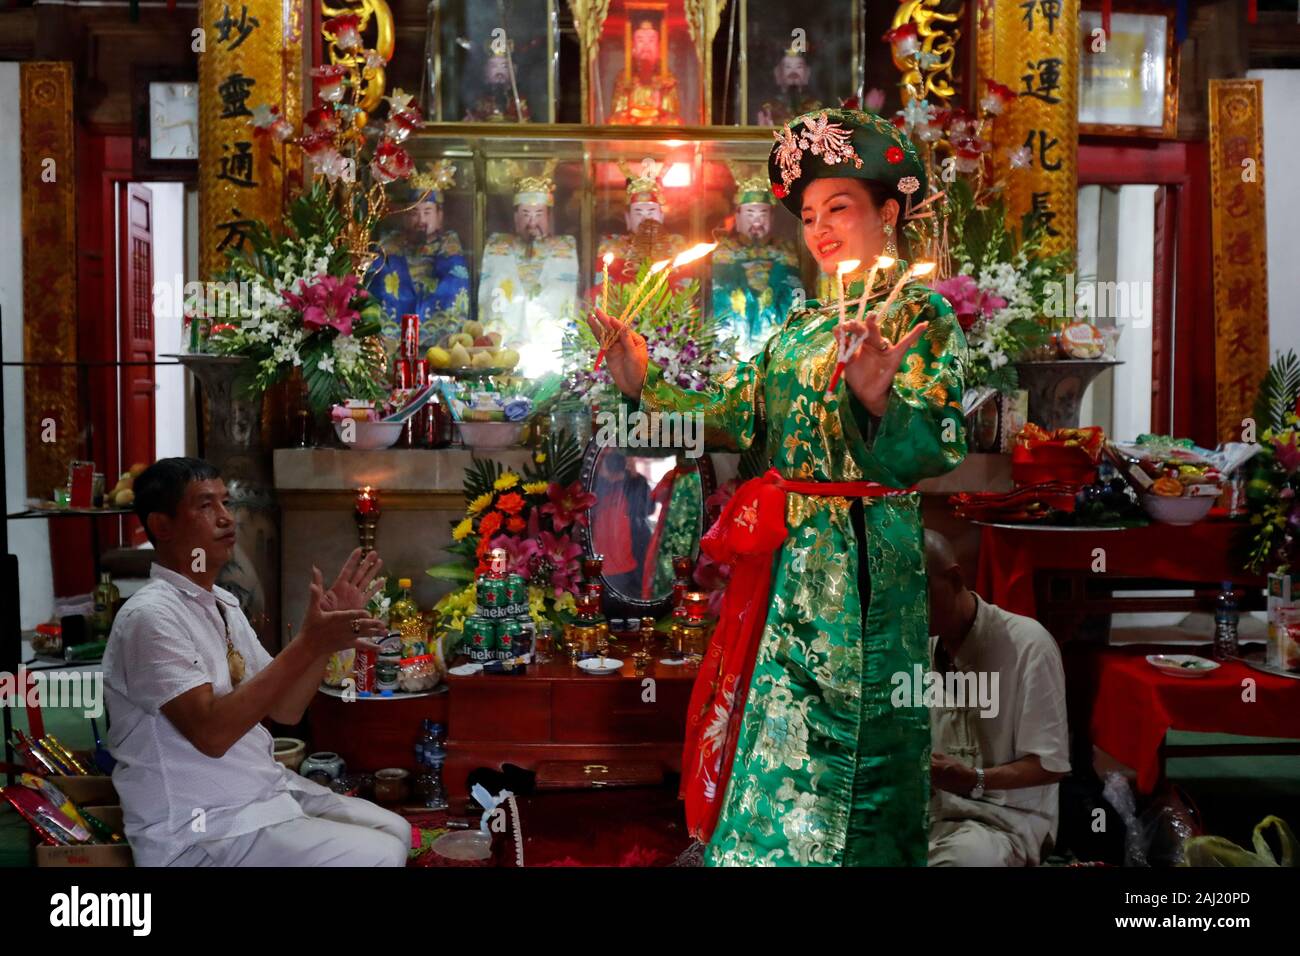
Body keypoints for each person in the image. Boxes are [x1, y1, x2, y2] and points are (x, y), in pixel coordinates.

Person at [589, 108, 967, 866]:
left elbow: (936, 446)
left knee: (850, 753)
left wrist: (880, 401)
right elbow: (732, 414)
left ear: (886, 212)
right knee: (770, 736)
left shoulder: (918, 313)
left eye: (841, 208)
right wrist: (646, 383)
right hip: (787, 561)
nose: (820, 228)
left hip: (863, 563)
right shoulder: (796, 328)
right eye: (810, 214)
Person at [103, 458, 410, 866]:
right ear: (162, 526)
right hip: (201, 830)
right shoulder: (151, 617)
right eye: (205, 506)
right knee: (383, 855)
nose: (226, 518)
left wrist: (323, 643)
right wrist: (307, 642)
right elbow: (212, 735)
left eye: (225, 503)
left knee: (397, 830)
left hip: (255, 794)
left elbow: (286, 709)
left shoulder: (223, 604)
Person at [924, 530, 1071, 866]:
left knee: (963, 862)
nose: (911, 609)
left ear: (956, 578)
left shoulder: (1028, 644)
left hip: (1004, 819)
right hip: (931, 813)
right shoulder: (916, 644)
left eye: (921, 594)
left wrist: (973, 779)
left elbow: (1049, 765)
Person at [477, 161, 577, 376]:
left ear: (549, 216)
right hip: (507, 349)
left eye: (538, 214)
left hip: (549, 356)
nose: (532, 222)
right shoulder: (498, 246)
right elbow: (492, 296)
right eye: (525, 214)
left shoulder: (565, 247)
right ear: (515, 217)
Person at [369, 160, 470, 347]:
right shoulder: (388, 245)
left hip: (438, 345)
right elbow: (376, 287)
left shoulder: (449, 246)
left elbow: (455, 286)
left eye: (427, 212)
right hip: (393, 344)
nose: (420, 220)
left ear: (440, 216)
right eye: (414, 212)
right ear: (405, 216)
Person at [711, 166, 803, 359]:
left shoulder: (784, 250)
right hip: (736, 330)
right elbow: (719, 291)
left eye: (762, 214)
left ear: (771, 216)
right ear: (737, 217)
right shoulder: (725, 251)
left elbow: (795, 291)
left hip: (774, 330)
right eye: (750, 214)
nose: (757, 221)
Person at [609, 18, 682, 125]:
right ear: (632, 47)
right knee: (615, 122)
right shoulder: (624, 77)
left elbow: (672, 112)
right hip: (632, 126)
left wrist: (659, 98)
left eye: (651, 41)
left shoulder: (667, 78)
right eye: (640, 40)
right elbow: (618, 111)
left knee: (674, 122)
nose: (646, 46)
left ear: (659, 47)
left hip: (658, 125)